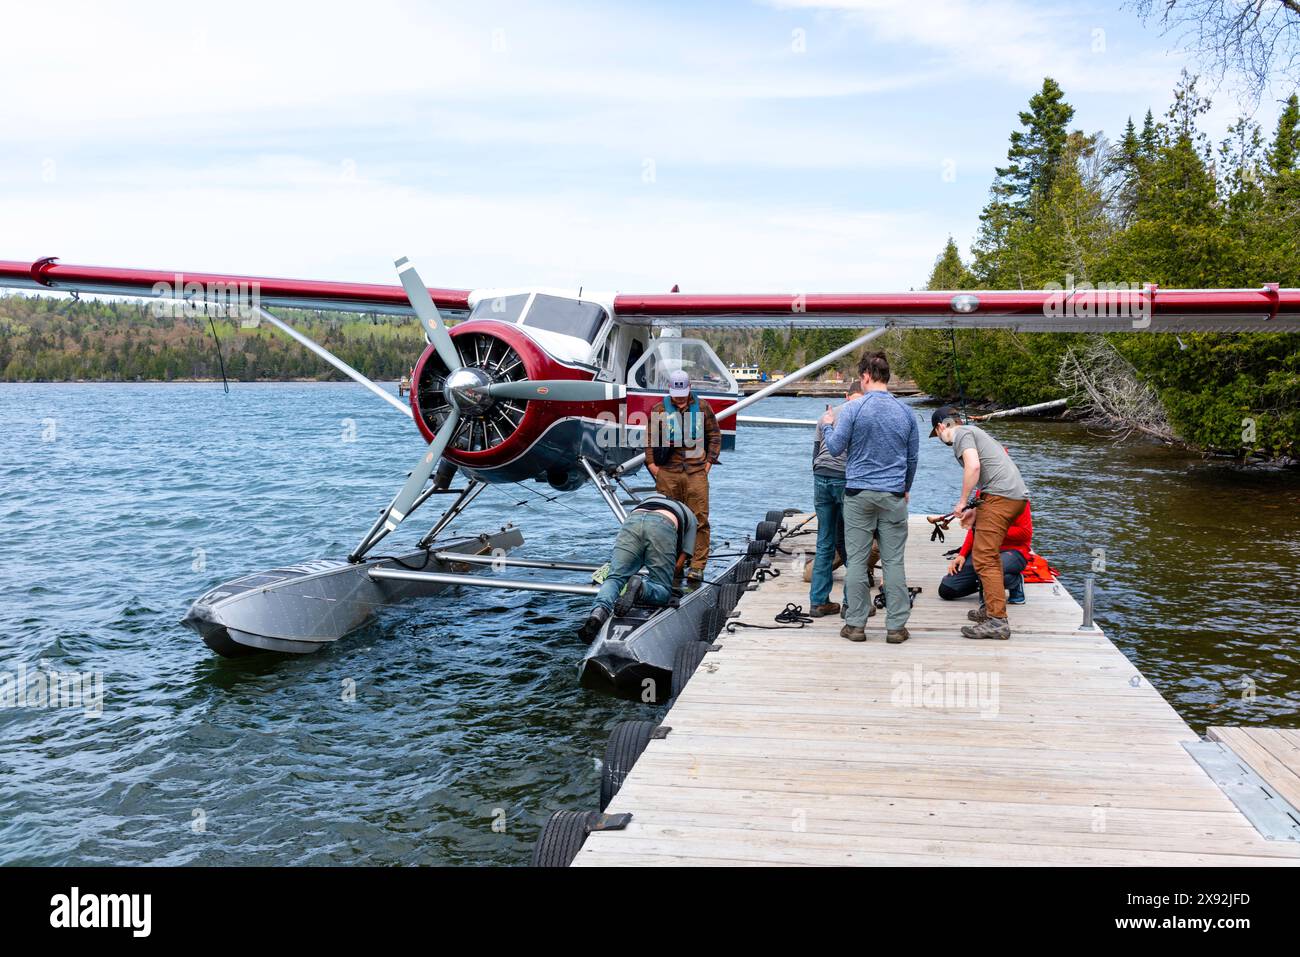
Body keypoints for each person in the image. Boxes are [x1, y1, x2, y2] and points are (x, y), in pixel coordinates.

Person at [820, 351, 919, 644]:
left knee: (858, 561)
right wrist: (904, 488)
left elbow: (836, 448)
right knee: (893, 562)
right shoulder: (906, 412)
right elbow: (912, 459)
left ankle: (855, 625)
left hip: (858, 494)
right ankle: (896, 627)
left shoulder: (853, 409)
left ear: (865, 377)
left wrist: (827, 424)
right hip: (892, 494)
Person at [930, 406, 1030, 640]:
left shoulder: (960, 434)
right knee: (988, 554)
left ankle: (997, 621)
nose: (941, 440)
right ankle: (991, 610)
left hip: (1001, 496)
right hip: (1008, 496)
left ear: (941, 427)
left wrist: (963, 501)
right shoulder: (974, 432)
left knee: (985, 557)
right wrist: (976, 509)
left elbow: (974, 467)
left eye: (938, 435)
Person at [577, 493, 698, 640]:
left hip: (632, 521)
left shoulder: (648, 500)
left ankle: (598, 613)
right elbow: (680, 563)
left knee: (615, 578)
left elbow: (640, 543)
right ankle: (641, 589)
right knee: (663, 590)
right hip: (663, 524)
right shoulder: (691, 517)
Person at [645, 369, 721, 585]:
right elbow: (649, 439)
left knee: (700, 520)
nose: (679, 397)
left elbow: (714, 435)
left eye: (682, 392)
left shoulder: (703, 407)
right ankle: (672, 564)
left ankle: (697, 565)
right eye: (675, 393)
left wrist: (708, 464)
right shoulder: (659, 409)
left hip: (696, 472)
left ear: (689, 390)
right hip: (667, 472)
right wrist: (652, 465)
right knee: (667, 521)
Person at [807, 382, 864, 617]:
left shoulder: (827, 415)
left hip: (821, 476)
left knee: (824, 541)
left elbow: (815, 451)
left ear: (845, 394)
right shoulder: (861, 415)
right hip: (844, 479)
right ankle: (851, 604)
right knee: (853, 543)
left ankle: (818, 602)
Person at [937, 497, 1032, 606]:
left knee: (989, 569)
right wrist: (962, 554)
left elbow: (1025, 533)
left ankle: (1015, 582)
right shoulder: (982, 493)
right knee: (947, 589)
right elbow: (975, 529)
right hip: (984, 550)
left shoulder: (1018, 497)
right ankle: (984, 583)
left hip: (1013, 551)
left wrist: (992, 529)